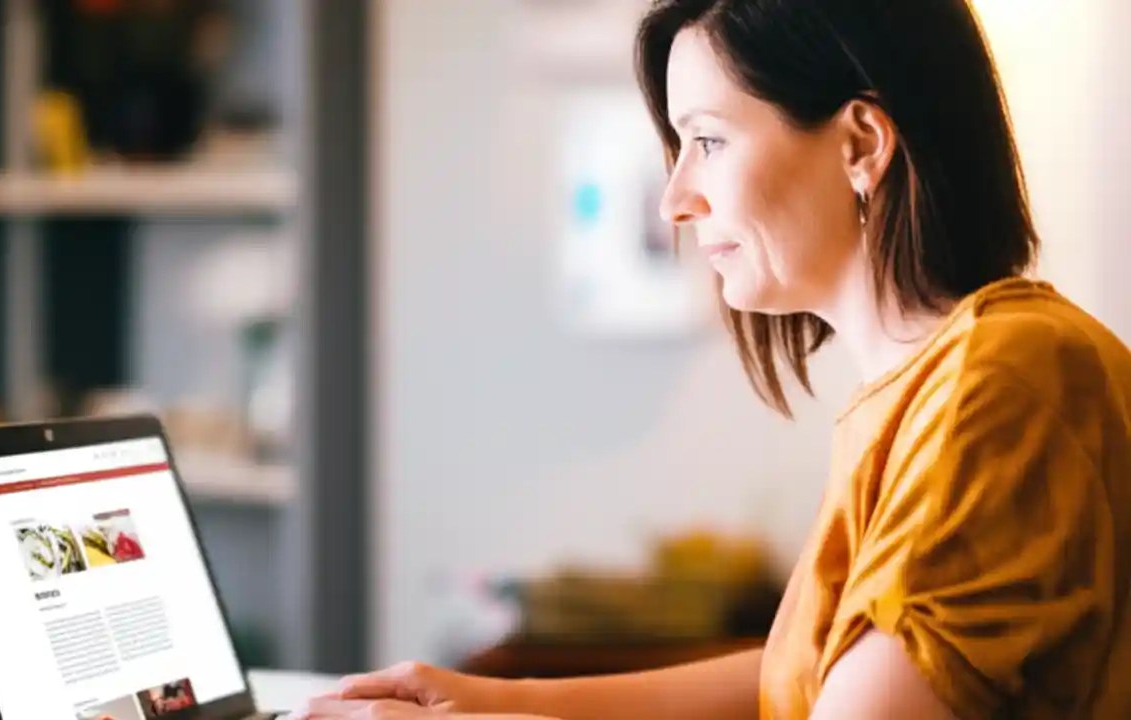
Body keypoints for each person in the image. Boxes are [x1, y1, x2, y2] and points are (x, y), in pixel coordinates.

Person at [297, 0, 1131, 718]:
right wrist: (505, 698)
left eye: (710, 141)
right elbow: (800, 683)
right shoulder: (928, 383)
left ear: (861, 143)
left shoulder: (1006, 380)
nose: (676, 198)